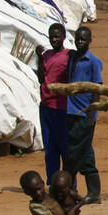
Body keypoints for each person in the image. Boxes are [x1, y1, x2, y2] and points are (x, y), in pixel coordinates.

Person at [64, 26, 104, 203]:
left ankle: (68, 188)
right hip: (71, 111)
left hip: (84, 113)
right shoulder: (71, 57)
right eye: (78, 39)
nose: (80, 42)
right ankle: (93, 193)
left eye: (83, 39)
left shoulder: (93, 61)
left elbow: (97, 89)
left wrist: (91, 114)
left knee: (74, 151)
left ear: (90, 41)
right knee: (85, 150)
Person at [36, 24, 70, 184]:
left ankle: (69, 184)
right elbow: (42, 78)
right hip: (46, 106)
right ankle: (52, 182)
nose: (54, 40)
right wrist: (39, 58)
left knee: (65, 148)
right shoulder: (47, 55)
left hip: (61, 108)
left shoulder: (68, 56)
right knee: (50, 148)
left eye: (57, 36)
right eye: (51, 37)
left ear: (64, 37)